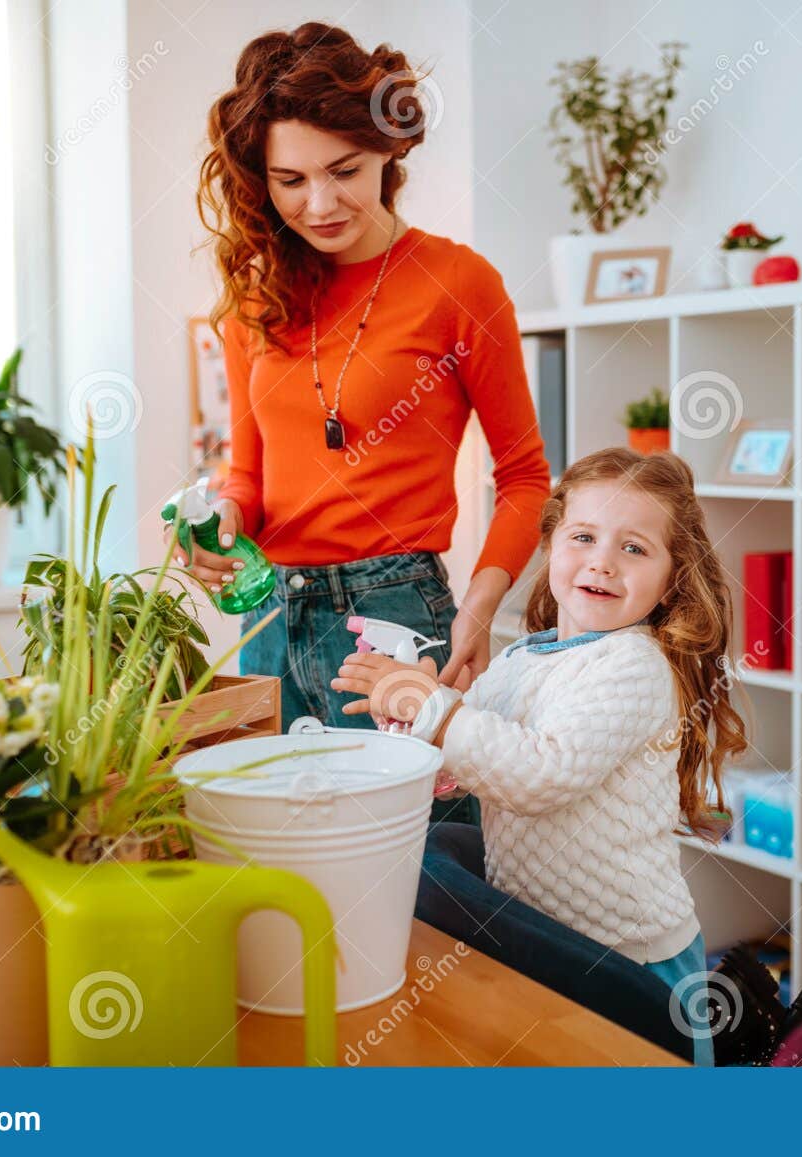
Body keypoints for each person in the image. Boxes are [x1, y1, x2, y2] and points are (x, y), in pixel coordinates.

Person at [183, 24, 550, 829]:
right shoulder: (257, 294)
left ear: (389, 149)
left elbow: (525, 476)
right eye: (290, 179)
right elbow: (247, 471)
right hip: (270, 617)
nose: (320, 203)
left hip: (395, 619)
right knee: (270, 849)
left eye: (344, 170)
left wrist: (479, 611)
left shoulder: (458, 281)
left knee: (422, 873)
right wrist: (224, 522)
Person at [333, 448, 751, 1064]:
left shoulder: (634, 666)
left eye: (634, 548)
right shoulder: (522, 656)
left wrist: (437, 711)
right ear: (552, 544)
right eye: (583, 536)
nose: (603, 562)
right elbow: (479, 768)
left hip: (632, 957)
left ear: (672, 577)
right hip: (549, 938)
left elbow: (540, 774)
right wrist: (415, 725)